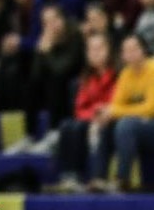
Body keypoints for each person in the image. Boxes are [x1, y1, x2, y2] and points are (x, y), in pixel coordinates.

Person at [93, 33, 154, 192]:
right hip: (147, 127)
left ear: (144, 50)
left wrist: (113, 111)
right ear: (122, 55)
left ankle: (122, 180)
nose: (130, 53)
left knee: (126, 124)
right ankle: (98, 179)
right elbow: (116, 105)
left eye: (134, 49)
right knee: (107, 126)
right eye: (126, 50)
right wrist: (107, 114)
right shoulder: (126, 74)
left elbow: (152, 109)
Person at [54, 32, 119, 191]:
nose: (95, 53)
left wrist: (99, 114)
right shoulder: (86, 77)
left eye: (99, 48)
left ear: (109, 50)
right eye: (90, 49)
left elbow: (117, 102)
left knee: (80, 126)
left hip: (112, 120)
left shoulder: (119, 74)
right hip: (92, 119)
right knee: (68, 125)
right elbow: (79, 108)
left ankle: (89, 176)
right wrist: (93, 116)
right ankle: (70, 175)